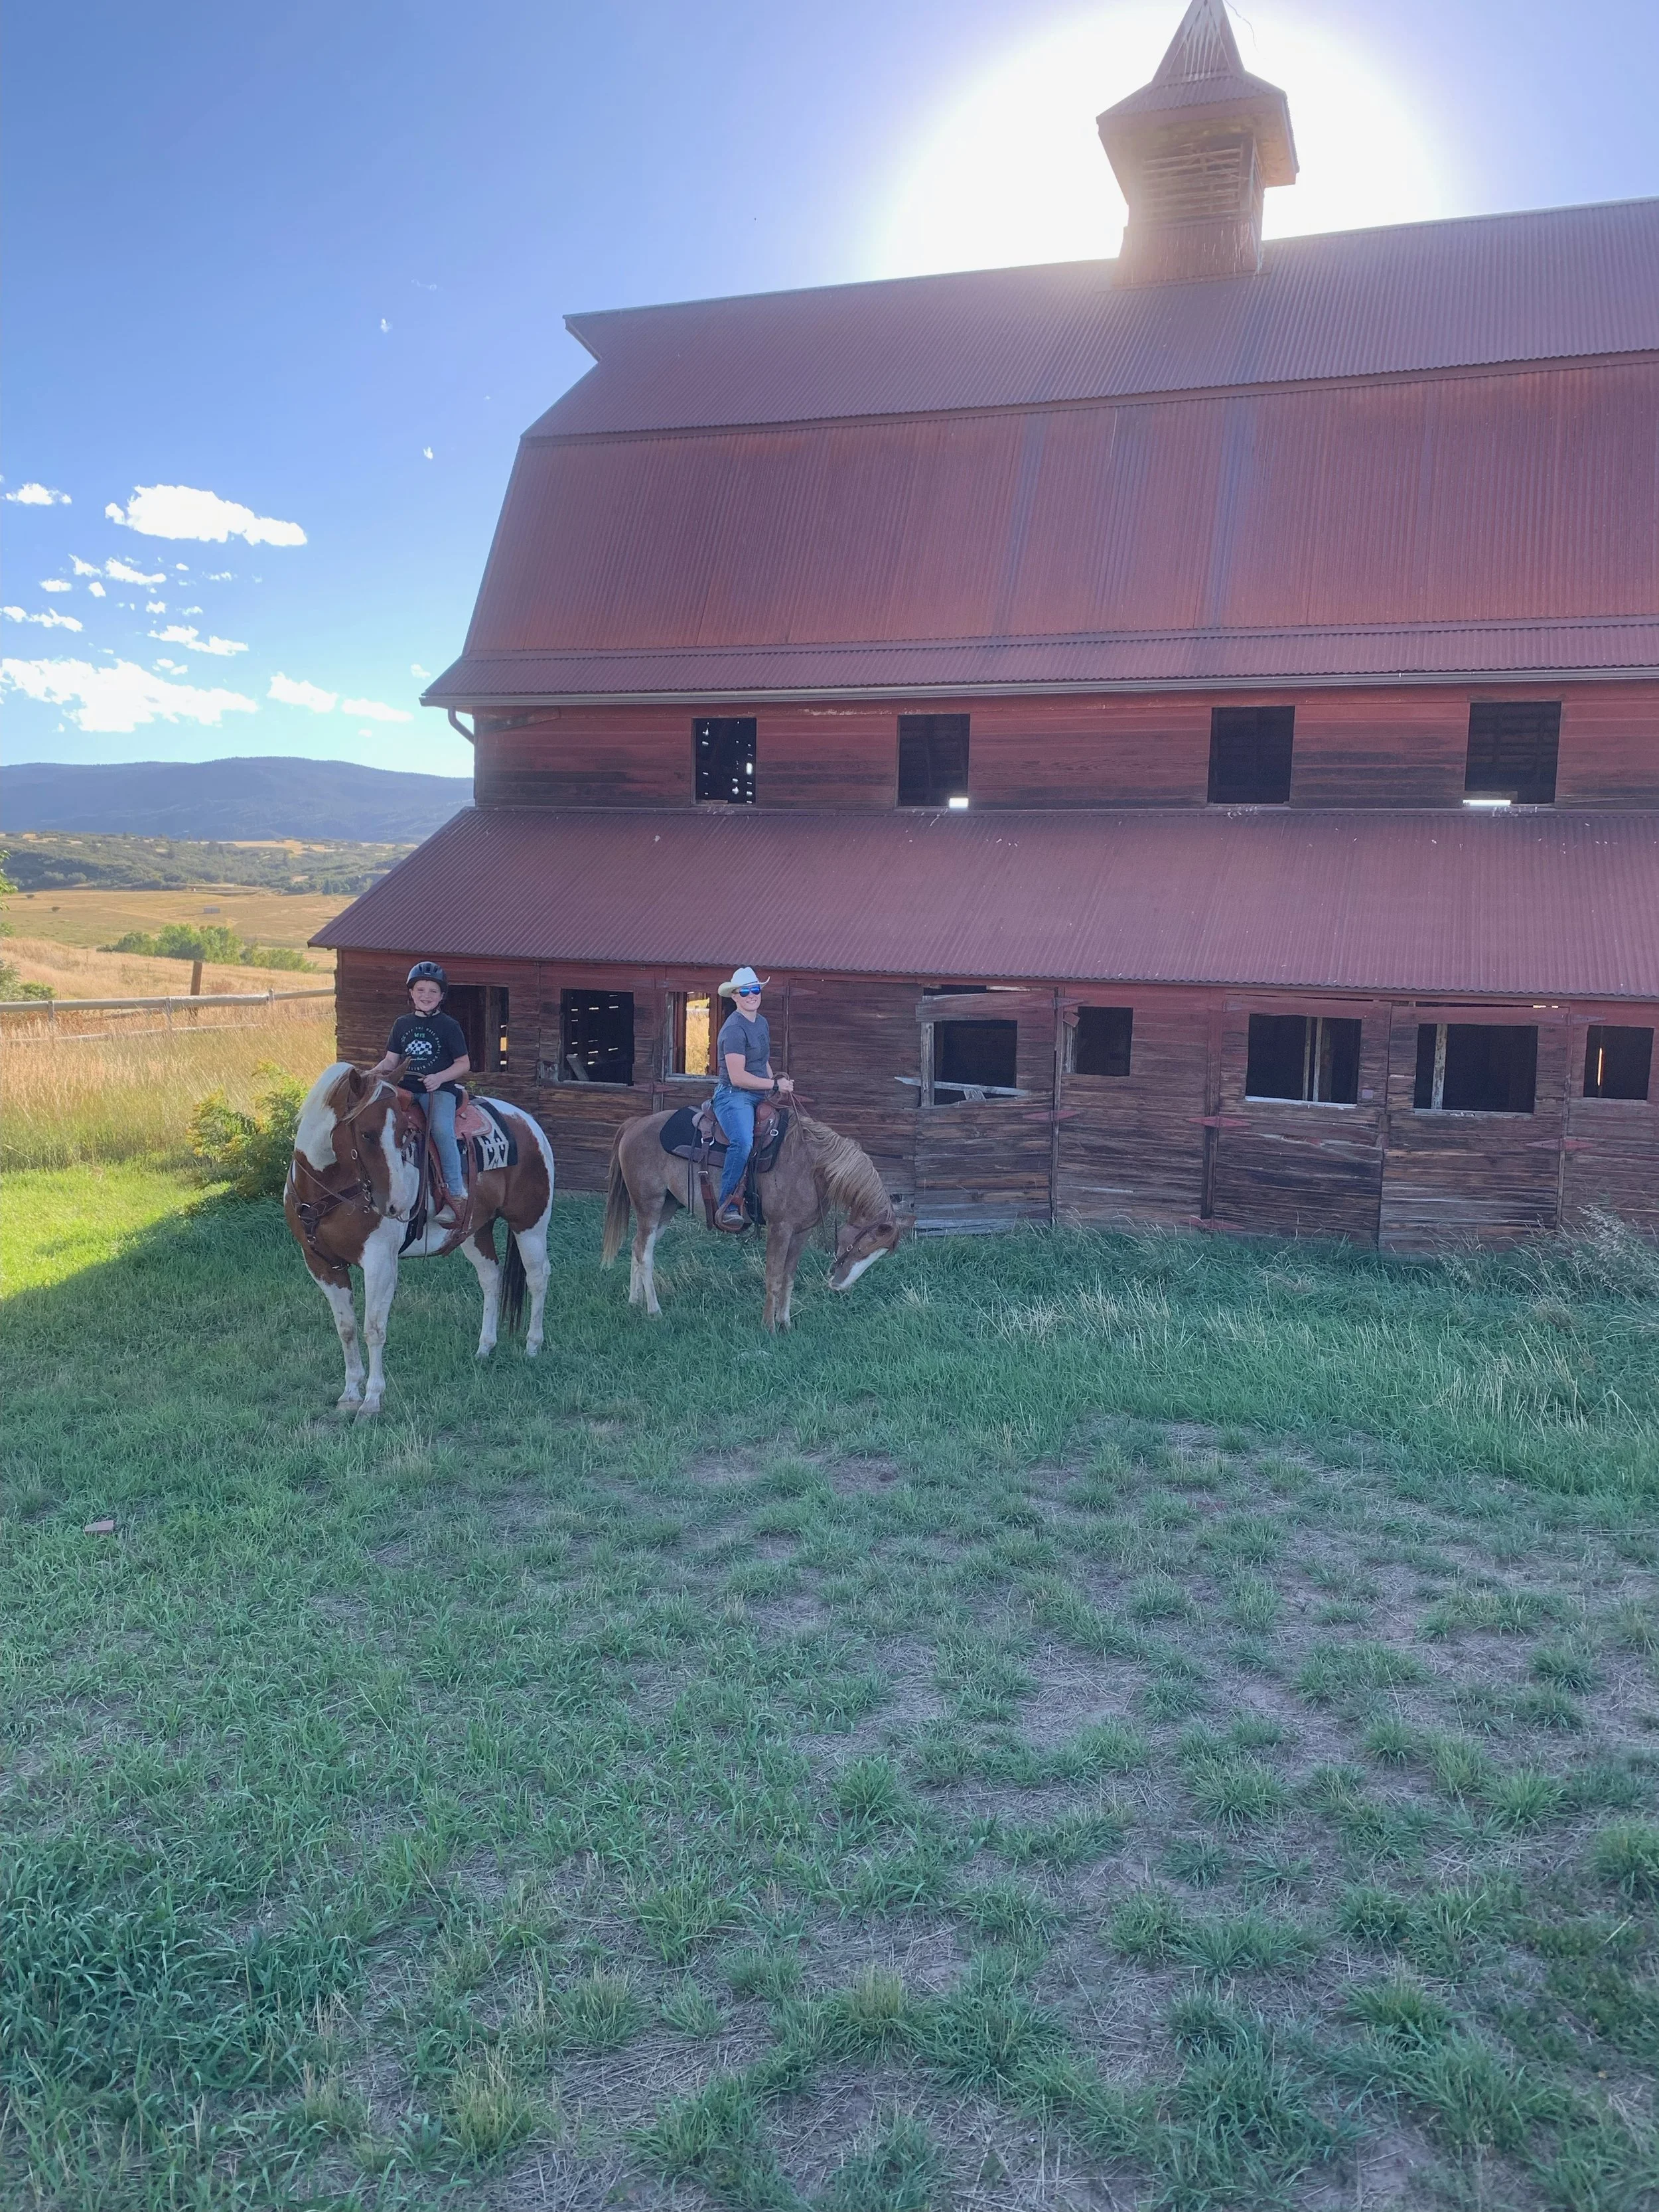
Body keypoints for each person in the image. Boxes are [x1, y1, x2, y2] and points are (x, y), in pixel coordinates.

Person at [371, 961, 472, 1224]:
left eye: (433, 991)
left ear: (442, 996)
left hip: (438, 1091)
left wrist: (439, 1078)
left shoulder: (449, 1026)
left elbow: (463, 1064)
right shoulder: (402, 1024)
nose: (426, 996)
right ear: (411, 993)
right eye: (421, 990)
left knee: (440, 1130)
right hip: (403, 1090)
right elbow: (391, 1061)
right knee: (376, 1125)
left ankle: (456, 1193)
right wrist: (369, 1076)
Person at [711, 966, 794, 1230]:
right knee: (743, 1143)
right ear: (735, 996)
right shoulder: (734, 1030)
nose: (752, 995)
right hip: (734, 1096)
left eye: (755, 989)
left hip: (759, 1092)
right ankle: (728, 1205)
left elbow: (762, 1062)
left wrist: (775, 1088)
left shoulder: (761, 1023)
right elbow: (738, 1077)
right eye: (745, 991)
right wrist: (774, 1084)